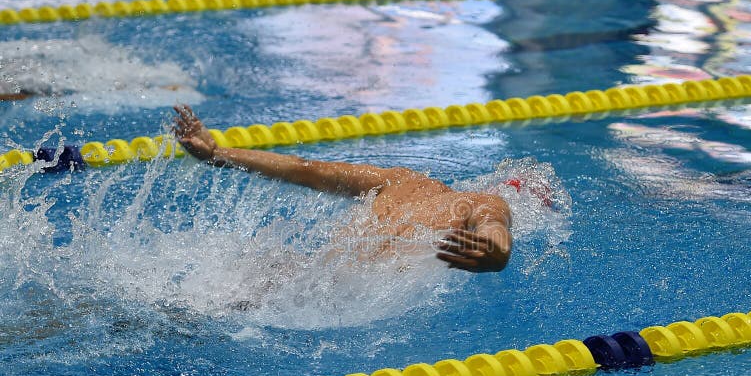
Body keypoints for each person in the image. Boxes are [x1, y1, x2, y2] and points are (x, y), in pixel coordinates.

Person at [172, 104, 512, 272]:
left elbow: (306, 170)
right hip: (350, 295)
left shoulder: (398, 179)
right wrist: (498, 254)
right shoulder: (482, 200)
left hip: (315, 274)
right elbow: (495, 228)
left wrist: (218, 154)